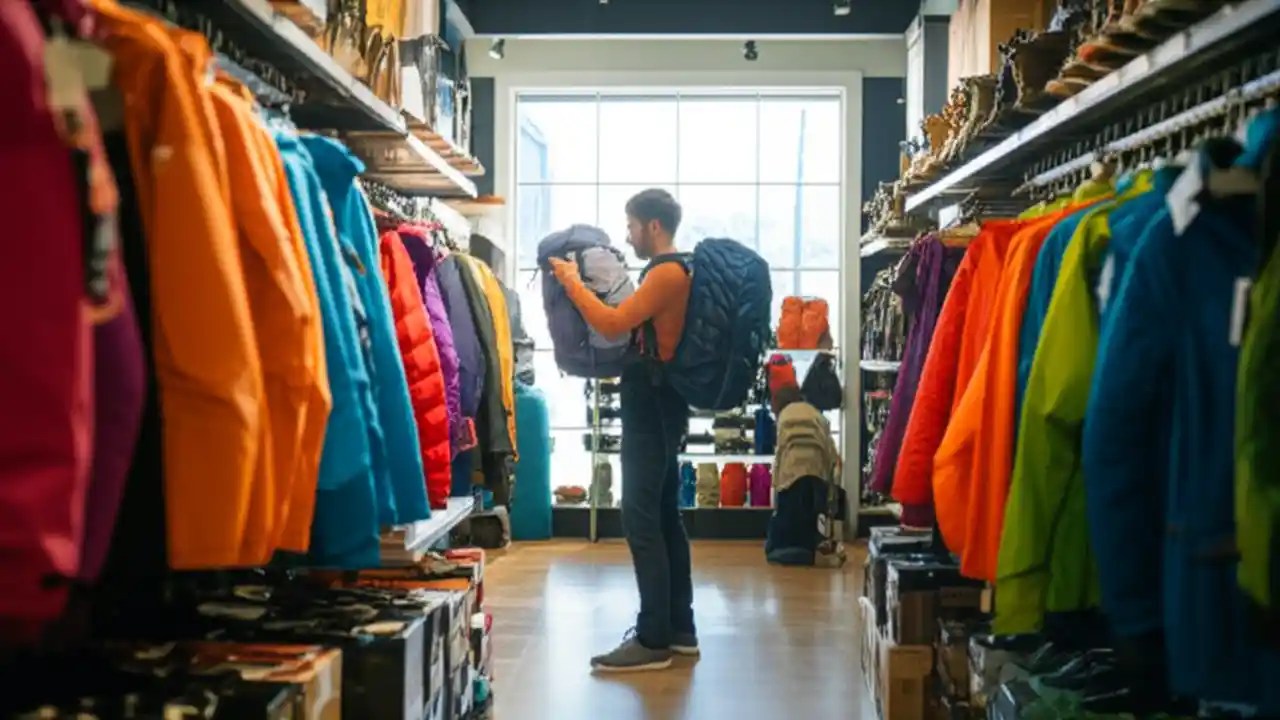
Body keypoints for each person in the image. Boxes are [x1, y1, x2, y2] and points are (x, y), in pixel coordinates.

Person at [547, 188, 696, 672]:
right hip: (662, 399)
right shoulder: (673, 271)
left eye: (632, 226)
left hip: (650, 402)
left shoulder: (667, 272)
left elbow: (611, 324)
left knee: (640, 518)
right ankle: (680, 628)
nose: (628, 234)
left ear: (654, 226)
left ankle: (653, 639)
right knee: (664, 514)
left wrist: (572, 281)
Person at [766, 383, 844, 566]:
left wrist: (776, 487)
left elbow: (781, 454)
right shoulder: (816, 414)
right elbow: (831, 453)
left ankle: (810, 558)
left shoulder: (784, 418)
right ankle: (818, 550)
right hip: (817, 476)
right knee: (811, 530)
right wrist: (830, 488)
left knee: (774, 552)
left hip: (790, 478)